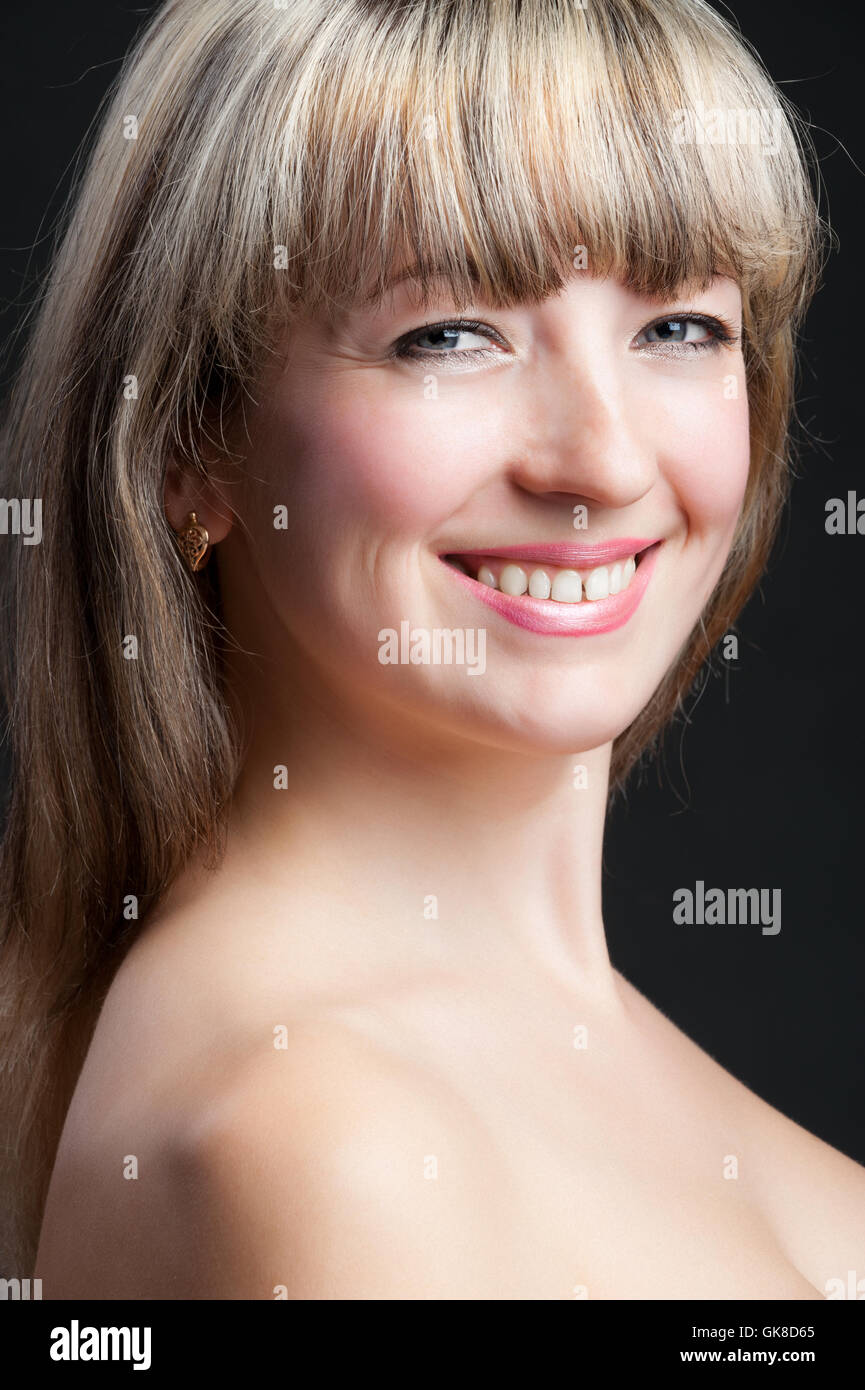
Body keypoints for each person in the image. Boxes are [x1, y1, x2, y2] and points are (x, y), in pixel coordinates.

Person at [2, 0, 862, 1298]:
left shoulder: (471, 1076)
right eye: (449, 334)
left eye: (678, 326)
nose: (604, 462)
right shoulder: (322, 1142)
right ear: (190, 442)